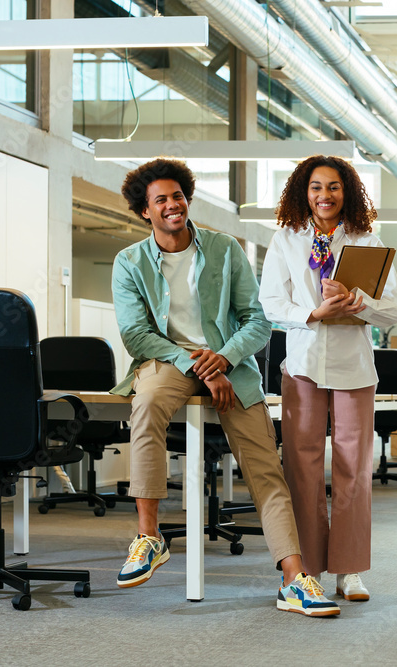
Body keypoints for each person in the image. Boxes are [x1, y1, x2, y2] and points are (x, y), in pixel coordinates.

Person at [111, 158, 338, 617]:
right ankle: (148, 536)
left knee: (264, 467)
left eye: (178, 196)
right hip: (169, 358)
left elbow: (257, 321)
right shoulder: (129, 262)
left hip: (228, 362)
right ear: (145, 212)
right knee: (147, 403)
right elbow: (136, 334)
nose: (173, 205)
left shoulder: (224, 249)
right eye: (161, 200)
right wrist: (196, 363)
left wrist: (226, 359)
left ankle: (294, 578)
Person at [259, 155, 397, 602]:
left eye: (335, 187)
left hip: (353, 366)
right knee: (300, 467)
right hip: (303, 363)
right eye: (317, 186)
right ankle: (309, 568)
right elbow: (270, 302)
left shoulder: (367, 240)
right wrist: (312, 313)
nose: (325, 195)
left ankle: (350, 568)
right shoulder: (285, 240)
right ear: (304, 190)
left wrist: (359, 301)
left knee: (352, 467)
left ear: (349, 192)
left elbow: (394, 307)